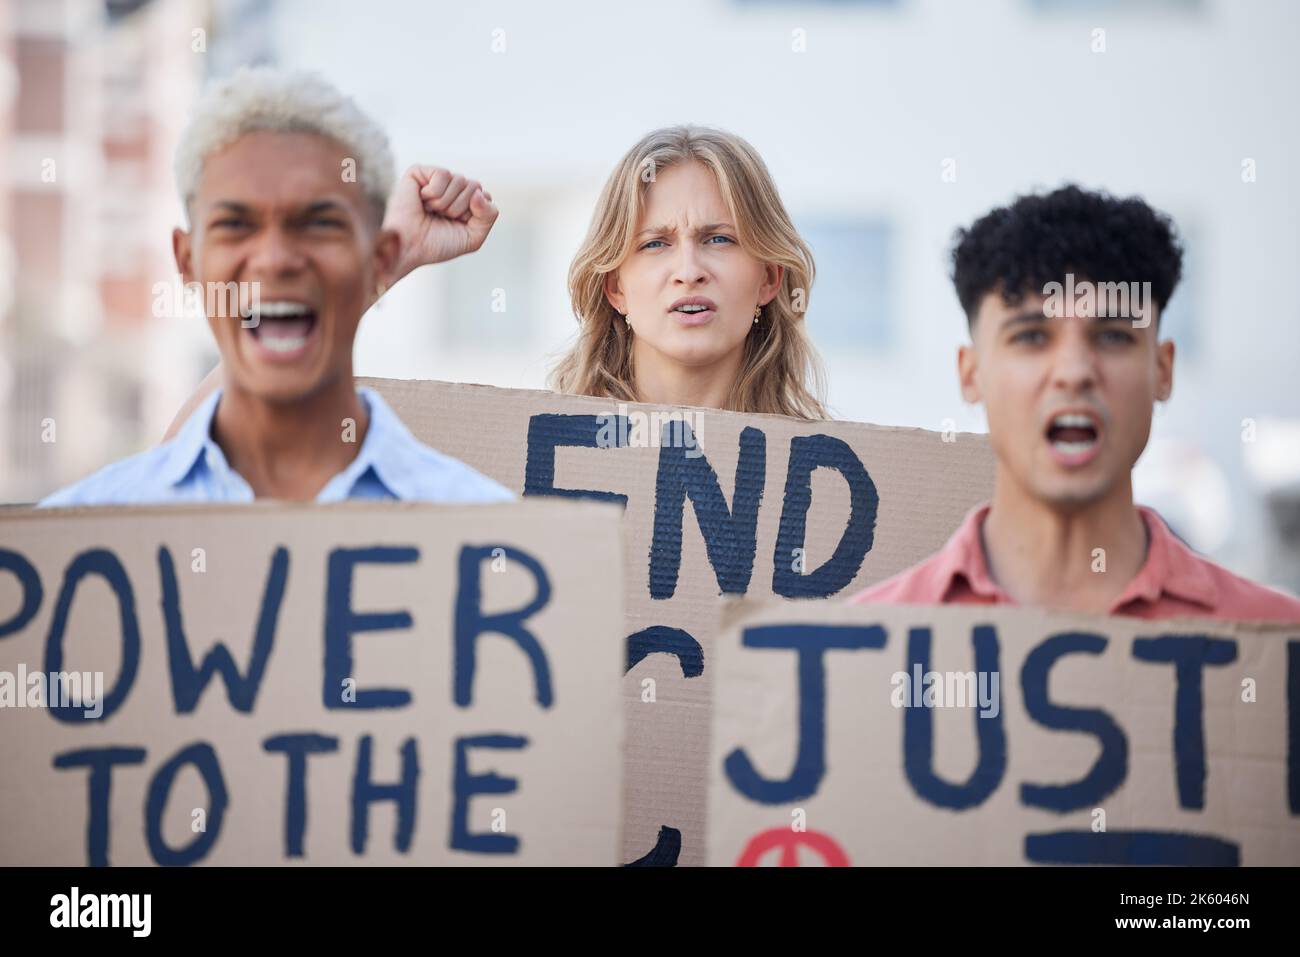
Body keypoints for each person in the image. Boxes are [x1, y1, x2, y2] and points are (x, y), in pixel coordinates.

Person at [41, 67, 510, 506]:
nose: (275, 259)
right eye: (236, 224)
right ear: (187, 262)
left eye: (318, 223)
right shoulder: (77, 537)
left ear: (381, 257)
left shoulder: (483, 530)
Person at [848, 185, 1300, 621]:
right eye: (1030, 337)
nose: (1074, 371)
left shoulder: (1276, 641)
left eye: (1112, 336)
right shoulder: (867, 645)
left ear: (1162, 371)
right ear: (971, 373)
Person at [550, 126, 827, 417]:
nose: (689, 271)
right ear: (615, 288)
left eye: (719, 239)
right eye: (655, 243)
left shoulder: (826, 460)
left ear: (769, 278)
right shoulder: (544, 448)